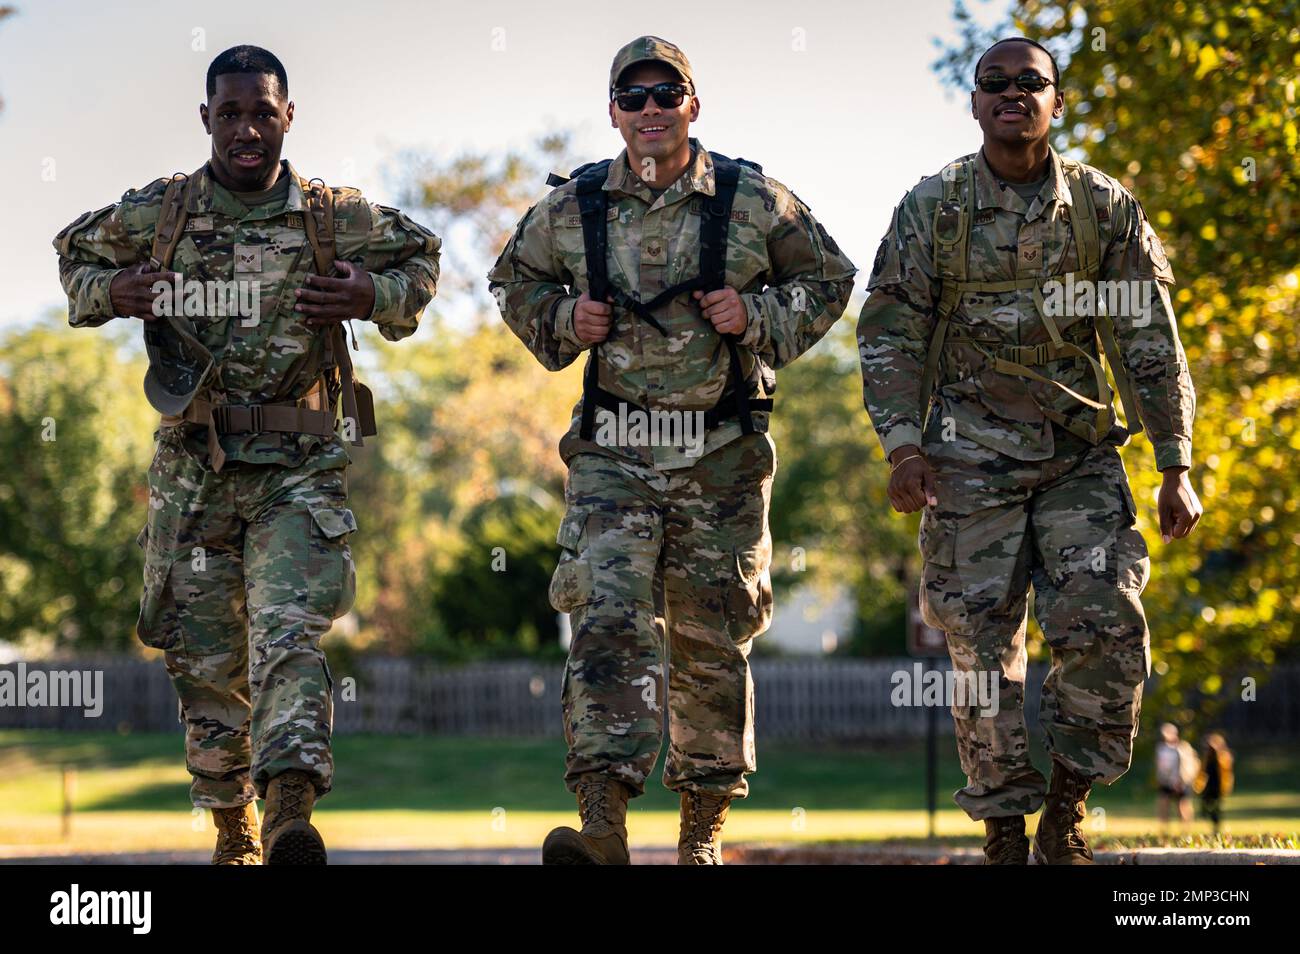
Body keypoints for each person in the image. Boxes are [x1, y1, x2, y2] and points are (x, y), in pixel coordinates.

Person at [52, 45, 440, 864]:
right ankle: (233, 827)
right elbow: (72, 254)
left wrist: (375, 295)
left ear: (288, 116)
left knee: (289, 633)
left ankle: (291, 806)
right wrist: (109, 293)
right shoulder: (161, 212)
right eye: (230, 113)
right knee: (203, 655)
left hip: (299, 466)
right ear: (207, 120)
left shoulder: (330, 214)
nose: (247, 129)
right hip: (194, 467)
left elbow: (424, 258)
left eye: (263, 111)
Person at [489, 35, 856, 864]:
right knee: (609, 621)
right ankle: (604, 824)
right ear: (613, 111)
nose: (650, 109)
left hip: (720, 453)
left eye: (667, 93)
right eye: (633, 95)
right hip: (614, 450)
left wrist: (757, 319)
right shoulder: (574, 205)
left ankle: (701, 837)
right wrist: (560, 322)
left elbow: (831, 279)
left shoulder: (752, 199)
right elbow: (512, 280)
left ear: (694, 103)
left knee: (710, 638)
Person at [857, 36, 1202, 864]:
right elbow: (891, 335)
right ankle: (1004, 834)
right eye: (995, 84)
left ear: (1056, 100)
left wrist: (1175, 462)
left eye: (1031, 83)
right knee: (981, 653)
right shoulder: (932, 209)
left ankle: (1066, 809)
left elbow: (1146, 338)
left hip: (1078, 452)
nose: (1013, 94)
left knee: (1106, 623)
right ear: (975, 103)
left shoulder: (1102, 209)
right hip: (965, 460)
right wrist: (903, 448)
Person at [1154, 722, 1198, 829]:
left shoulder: (1183, 747)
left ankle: (1185, 831)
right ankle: (1164, 830)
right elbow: (1160, 765)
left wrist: (1180, 780)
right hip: (1166, 781)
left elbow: (1187, 766)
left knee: (1182, 806)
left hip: (1181, 781)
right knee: (1163, 804)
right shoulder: (1161, 748)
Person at [1195, 731, 1234, 834]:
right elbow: (1202, 771)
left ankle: (1216, 827)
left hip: (1218, 787)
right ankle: (1207, 816)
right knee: (1205, 804)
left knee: (1216, 808)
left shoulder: (1223, 756)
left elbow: (1226, 771)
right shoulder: (1206, 758)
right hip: (1208, 786)